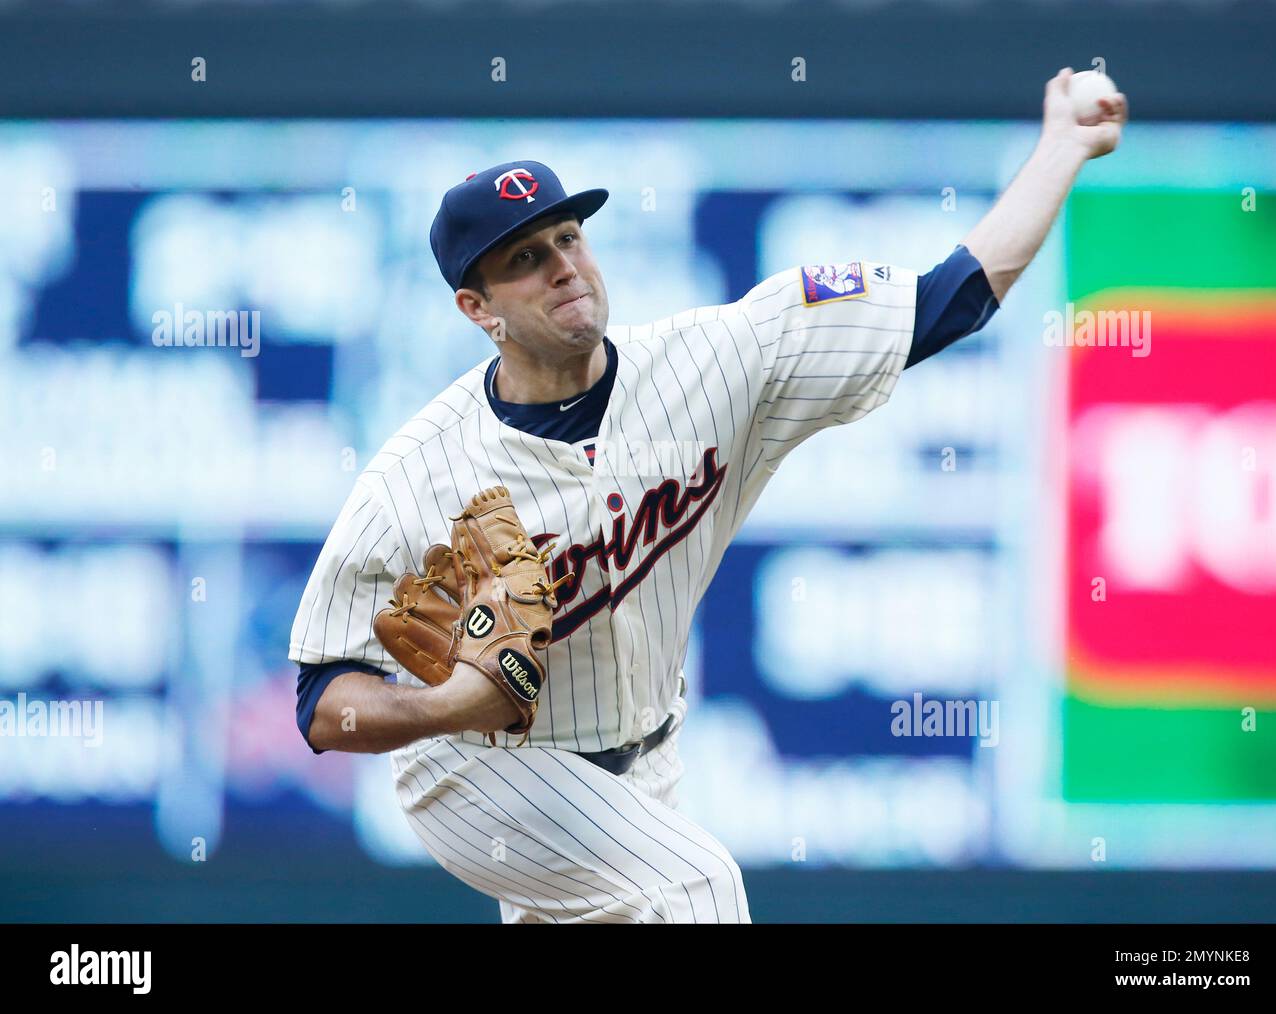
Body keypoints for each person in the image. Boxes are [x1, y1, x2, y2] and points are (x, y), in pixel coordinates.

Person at [288, 69, 1127, 923]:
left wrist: (1062, 146)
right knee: (694, 887)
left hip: (646, 763)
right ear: (477, 307)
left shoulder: (715, 362)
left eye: (570, 237)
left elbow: (947, 301)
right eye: (526, 259)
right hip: (478, 772)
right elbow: (323, 705)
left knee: (652, 882)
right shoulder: (419, 478)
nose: (564, 267)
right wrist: (442, 705)